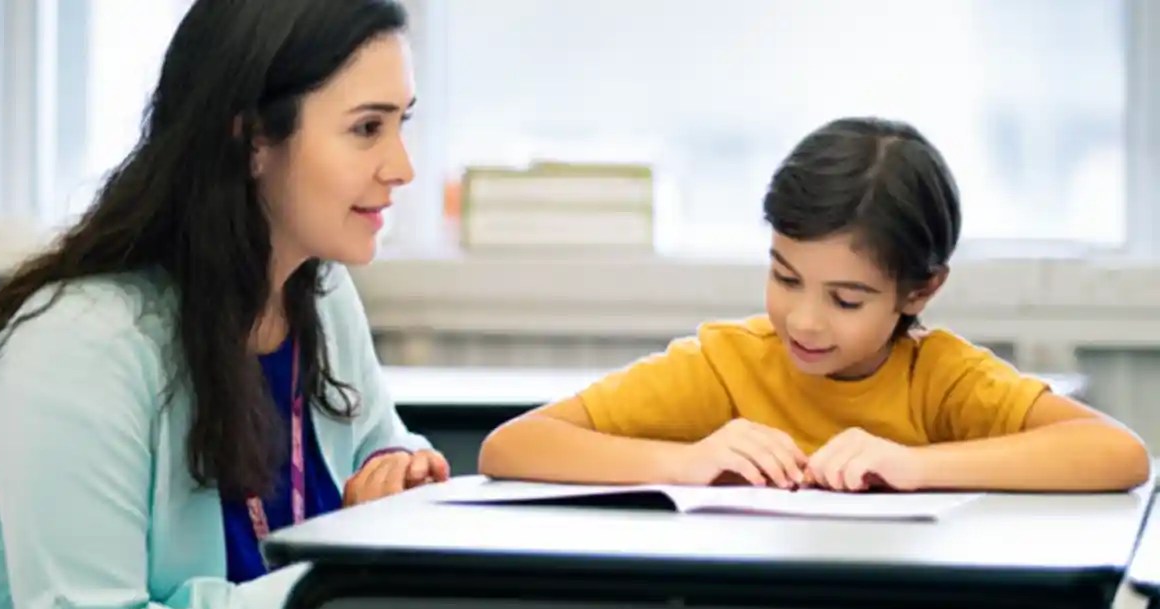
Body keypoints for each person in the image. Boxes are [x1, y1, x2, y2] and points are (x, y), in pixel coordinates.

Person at [0, 1, 447, 609]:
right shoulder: (83, 342)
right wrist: (329, 587)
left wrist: (401, 473)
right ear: (251, 138)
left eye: (402, 123)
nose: (403, 167)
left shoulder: (318, 289)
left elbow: (375, 450)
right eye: (367, 128)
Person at [479, 117, 1150, 494]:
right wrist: (683, 462)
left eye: (846, 299)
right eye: (785, 276)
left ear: (919, 291)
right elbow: (512, 447)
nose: (803, 319)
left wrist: (916, 465)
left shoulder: (940, 379)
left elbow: (1118, 453)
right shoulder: (727, 365)